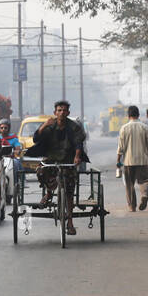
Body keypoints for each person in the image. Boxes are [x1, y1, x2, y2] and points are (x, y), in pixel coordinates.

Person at [28, 100, 87, 234]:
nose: (61, 113)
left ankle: (70, 223)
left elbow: (79, 143)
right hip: (51, 159)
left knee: (70, 191)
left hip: (68, 159)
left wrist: (77, 157)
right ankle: (49, 192)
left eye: (64, 110)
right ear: (55, 112)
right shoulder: (49, 125)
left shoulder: (73, 127)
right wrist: (43, 125)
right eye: (59, 110)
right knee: (40, 171)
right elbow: (36, 139)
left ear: (68, 113)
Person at [116, 105, 148, 211]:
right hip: (143, 159)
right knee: (144, 180)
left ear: (128, 115)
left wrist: (118, 160)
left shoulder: (124, 128)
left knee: (129, 184)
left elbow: (120, 147)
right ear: (138, 115)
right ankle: (144, 195)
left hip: (128, 161)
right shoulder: (144, 127)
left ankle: (132, 206)